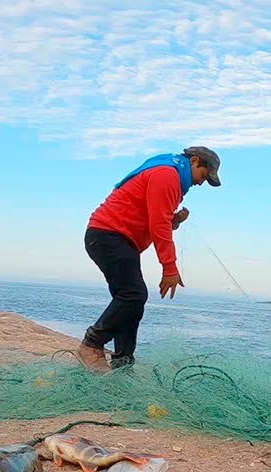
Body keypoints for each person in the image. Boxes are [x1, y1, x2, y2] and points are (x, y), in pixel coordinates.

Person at [76, 147, 222, 371]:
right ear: (194, 161)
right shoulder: (167, 175)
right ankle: (92, 344)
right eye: (203, 176)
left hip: (116, 238)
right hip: (109, 234)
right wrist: (170, 269)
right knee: (133, 295)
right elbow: (158, 226)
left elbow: (155, 217)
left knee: (131, 303)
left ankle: (123, 364)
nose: (201, 183)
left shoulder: (169, 173)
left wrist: (174, 220)